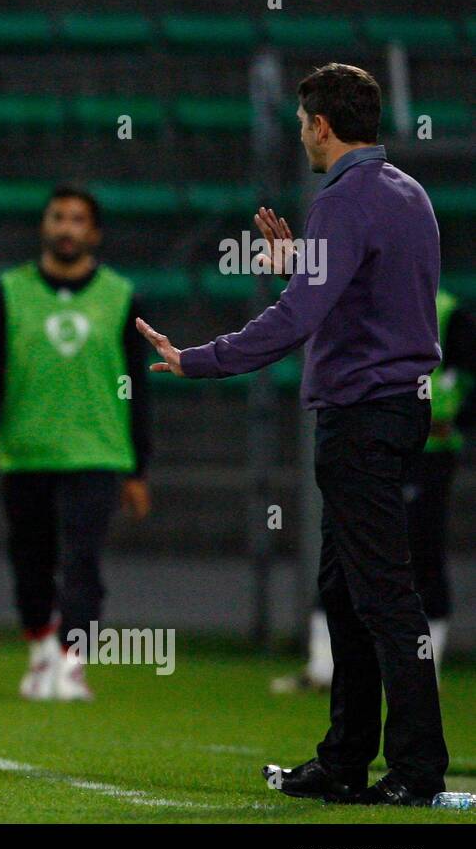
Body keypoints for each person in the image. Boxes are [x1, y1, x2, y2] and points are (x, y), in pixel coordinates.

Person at [138, 63, 448, 806]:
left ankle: (415, 767)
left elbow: (298, 322)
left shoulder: (342, 199)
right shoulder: (408, 193)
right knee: (346, 594)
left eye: (304, 122)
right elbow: (364, 301)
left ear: (321, 125)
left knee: (383, 596)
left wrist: (199, 359)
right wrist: (302, 268)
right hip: (399, 409)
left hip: (362, 418)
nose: (302, 134)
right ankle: (344, 760)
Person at [0, 186, 152, 701]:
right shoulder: (10, 291)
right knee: (31, 559)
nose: (67, 227)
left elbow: (138, 385)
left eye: (78, 219)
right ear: (45, 226)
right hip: (26, 452)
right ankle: (41, 647)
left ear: (95, 232)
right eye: (59, 217)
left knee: (83, 558)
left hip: (97, 453)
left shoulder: (120, 295)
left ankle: (72, 660)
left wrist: (138, 469)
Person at [272, 287, 476, 694]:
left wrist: (455, 420)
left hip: (427, 452)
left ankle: (421, 672)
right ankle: (324, 668)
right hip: (366, 441)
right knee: (343, 547)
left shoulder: (449, 312)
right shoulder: (358, 297)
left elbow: (469, 380)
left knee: (419, 550)